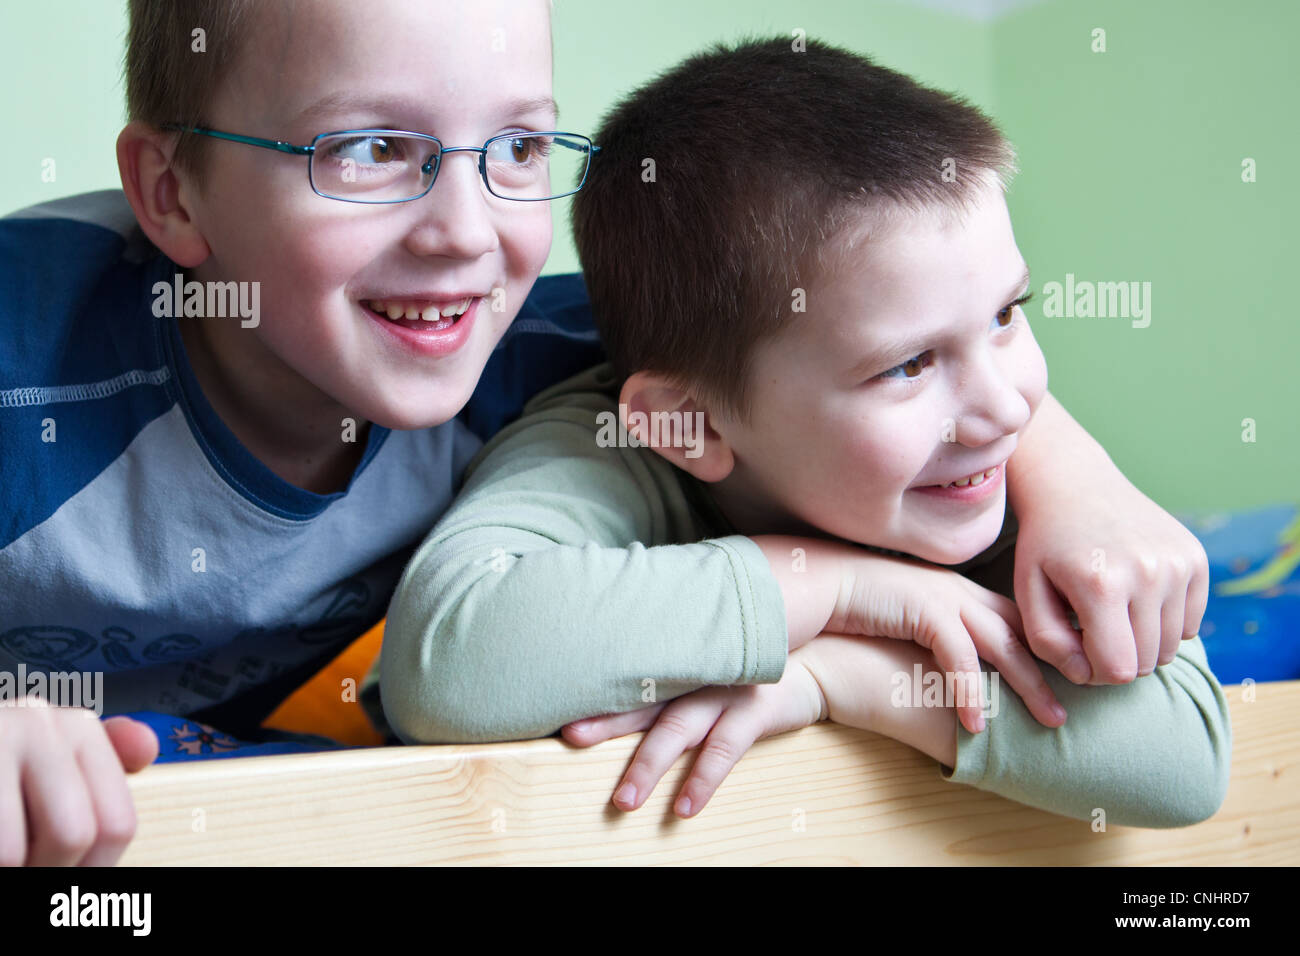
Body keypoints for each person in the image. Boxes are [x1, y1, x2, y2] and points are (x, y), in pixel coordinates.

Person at [377, 38, 1229, 829]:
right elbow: (449, 661)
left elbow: (1185, 759)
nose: (1008, 409)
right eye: (908, 366)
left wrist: (836, 675)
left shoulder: (976, 471)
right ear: (688, 423)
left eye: (1008, 314)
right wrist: (835, 589)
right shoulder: (605, 443)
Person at [0, 0, 601, 866]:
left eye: (518, 147)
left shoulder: (563, 369)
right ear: (172, 194)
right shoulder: (28, 387)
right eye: (372, 149)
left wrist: (817, 665)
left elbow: (840, 424)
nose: (467, 233)